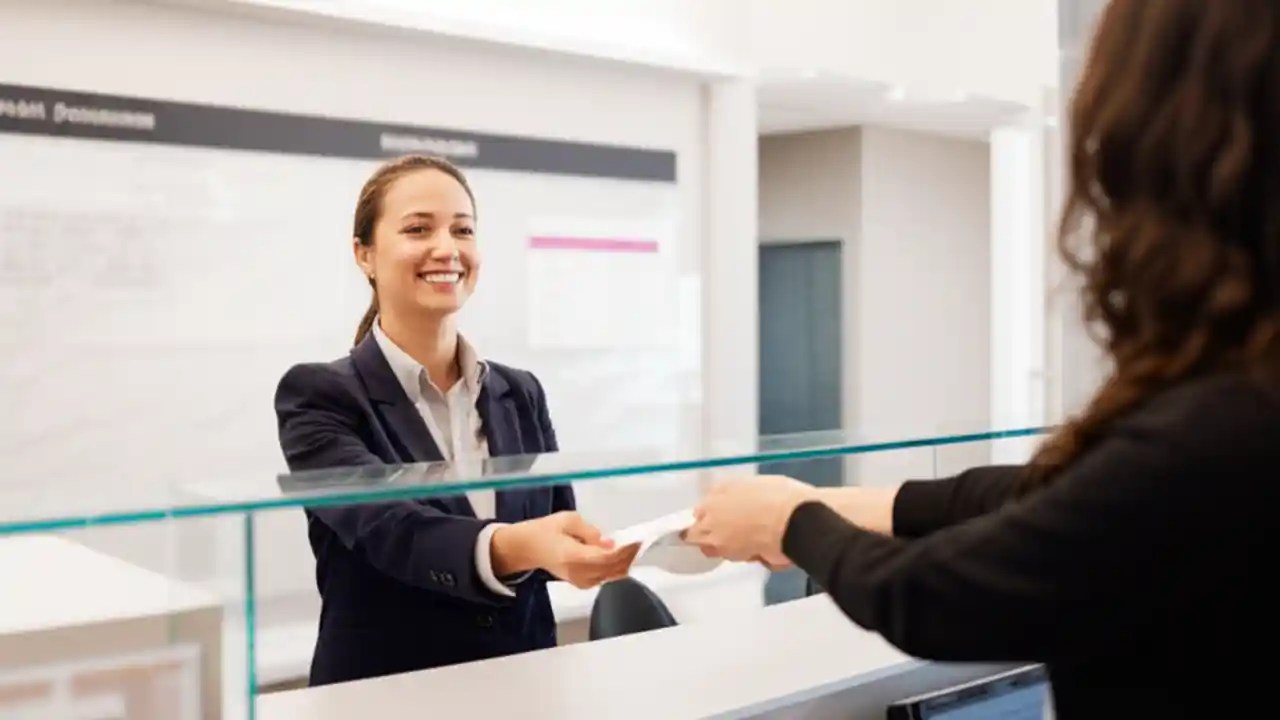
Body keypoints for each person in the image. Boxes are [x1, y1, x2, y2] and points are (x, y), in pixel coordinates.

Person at [685, 0, 1279, 716]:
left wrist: (794, 524)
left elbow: (929, 597)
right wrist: (819, 504)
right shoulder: (1234, 403)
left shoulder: (1224, 423)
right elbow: (1049, 497)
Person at [274, 154, 636, 686]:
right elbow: (391, 531)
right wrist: (526, 544)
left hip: (524, 686)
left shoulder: (520, 392)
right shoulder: (318, 395)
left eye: (462, 230)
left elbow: (551, 528)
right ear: (365, 254)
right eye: (419, 229)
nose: (447, 248)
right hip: (389, 698)